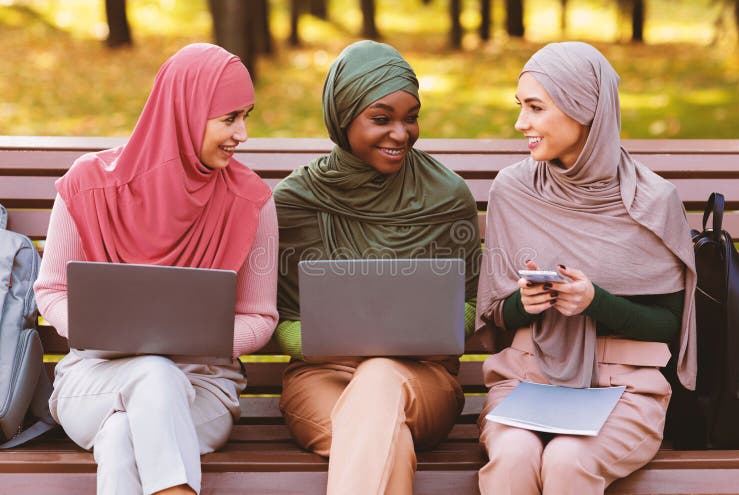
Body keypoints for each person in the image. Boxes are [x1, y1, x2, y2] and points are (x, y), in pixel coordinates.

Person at [33, 43, 278, 495]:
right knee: (152, 373)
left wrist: (196, 340)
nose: (242, 134)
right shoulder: (89, 182)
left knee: (123, 438)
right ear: (183, 112)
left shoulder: (251, 201)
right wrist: (94, 329)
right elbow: (51, 290)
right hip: (97, 379)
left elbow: (261, 317)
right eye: (229, 118)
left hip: (201, 390)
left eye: (247, 116)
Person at [474, 41, 697, 495]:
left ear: (585, 109)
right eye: (521, 107)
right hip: (526, 377)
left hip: (624, 388)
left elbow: (671, 324)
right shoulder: (513, 191)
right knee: (513, 458)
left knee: (568, 461)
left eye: (536, 108)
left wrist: (598, 303)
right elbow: (496, 314)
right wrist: (526, 304)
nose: (521, 123)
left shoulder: (652, 202)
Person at [272, 40, 481, 495]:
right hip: (322, 378)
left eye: (411, 117)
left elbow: (470, 308)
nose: (402, 134)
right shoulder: (294, 202)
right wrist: (346, 347)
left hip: (423, 381)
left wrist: (392, 344)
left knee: (381, 377)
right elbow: (279, 323)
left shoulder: (446, 197)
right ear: (342, 118)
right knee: (383, 438)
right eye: (382, 119)